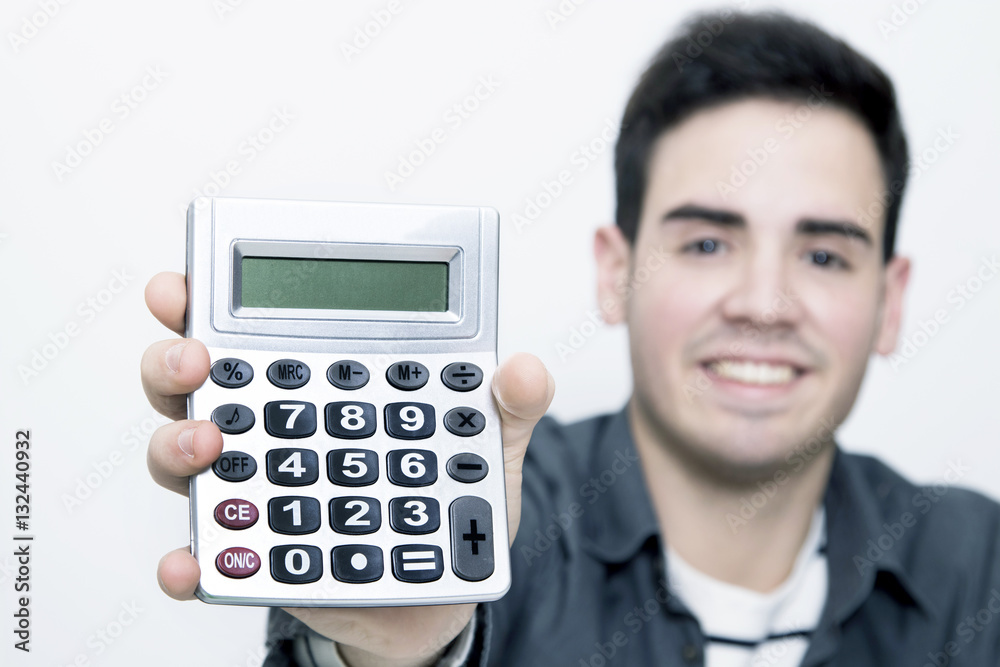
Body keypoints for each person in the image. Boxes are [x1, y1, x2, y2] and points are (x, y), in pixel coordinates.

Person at [141, 9, 1000, 667]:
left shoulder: (980, 564)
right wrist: (402, 645)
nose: (764, 303)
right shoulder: (480, 521)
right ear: (613, 273)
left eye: (822, 252)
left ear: (890, 302)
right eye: (706, 242)